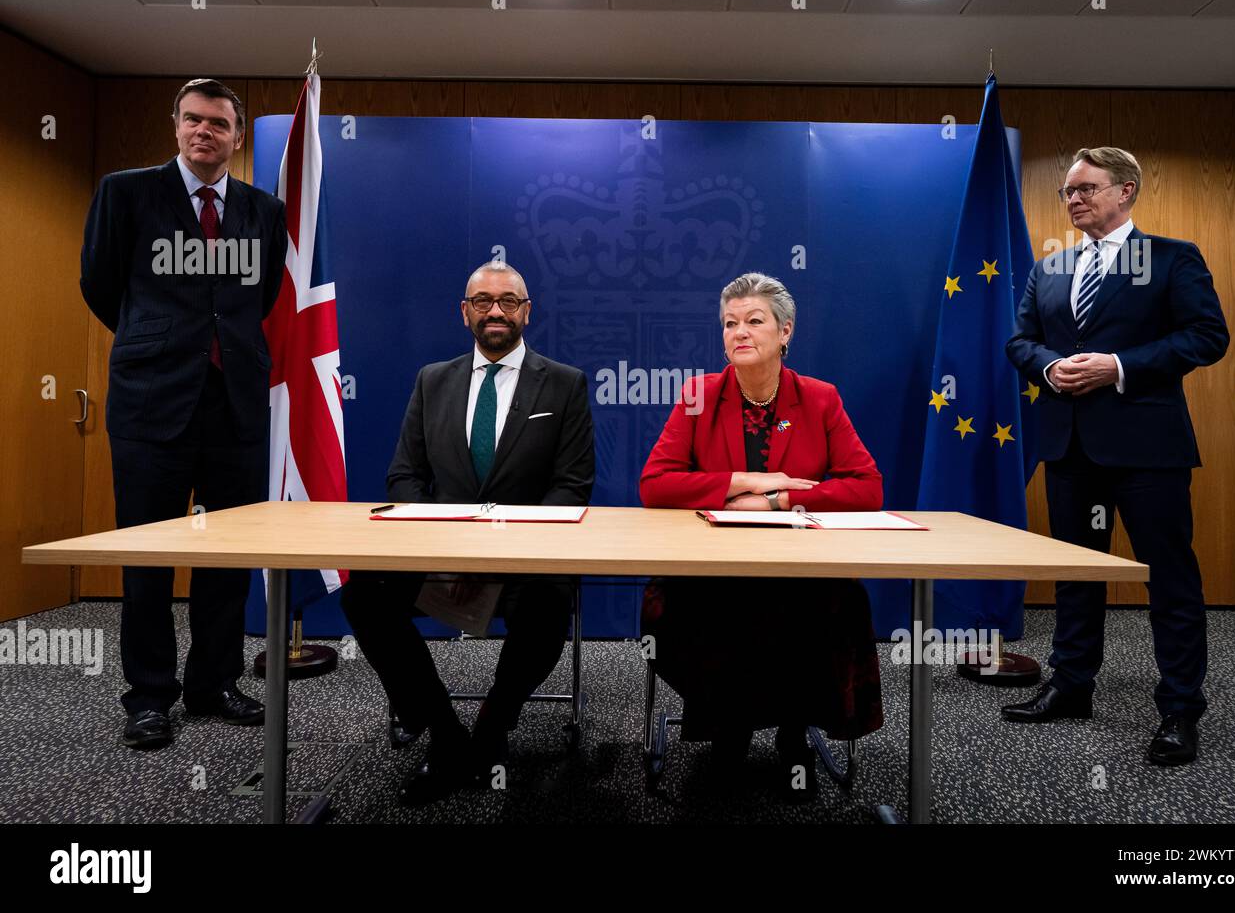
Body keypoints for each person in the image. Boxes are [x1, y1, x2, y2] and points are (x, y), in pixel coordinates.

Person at [80, 78, 287, 750]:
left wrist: (218, 348)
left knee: (225, 556)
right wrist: (162, 337)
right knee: (148, 557)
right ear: (175, 127)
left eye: (219, 124)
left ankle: (213, 683)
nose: (205, 131)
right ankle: (148, 697)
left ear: (237, 137)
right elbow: (100, 283)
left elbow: (257, 297)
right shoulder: (127, 191)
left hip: (234, 406)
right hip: (151, 405)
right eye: (193, 120)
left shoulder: (263, 210)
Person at [1005, 146, 1229, 765]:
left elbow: (1208, 337)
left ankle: (1180, 708)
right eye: (1067, 192)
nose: (1074, 199)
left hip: (1148, 449)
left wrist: (1119, 366)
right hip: (1069, 447)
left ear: (1126, 191)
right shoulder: (1049, 268)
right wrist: (1049, 366)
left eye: (1087, 188)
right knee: (1078, 572)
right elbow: (1020, 340)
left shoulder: (1171, 258)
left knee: (1169, 577)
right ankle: (1072, 685)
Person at [341, 260, 595, 804]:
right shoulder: (433, 380)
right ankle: (442, 729)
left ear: (528, 312)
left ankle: (492, 726)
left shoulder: (566, 385)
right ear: (465, 313)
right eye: (483, 301)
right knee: (365, 591)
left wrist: (498, 555)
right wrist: (452, 551)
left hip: (527, 561)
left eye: (508, 300)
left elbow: (571, 488)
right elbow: (404, 477)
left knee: (549, 606)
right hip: (440, 551)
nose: (496, 310)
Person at [639, 272, 884, 799]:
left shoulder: (819, 399)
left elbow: (866, 488)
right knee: (713, 606)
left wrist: (777, 501)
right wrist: (744, 481)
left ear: (785, 331)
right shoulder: (699, 396)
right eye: (730, 323)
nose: (739, 332)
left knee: (825, 603)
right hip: (715, 567)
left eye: (754, 321)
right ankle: (729, 732)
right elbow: (655, 485)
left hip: (803, 566)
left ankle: (795, 737)